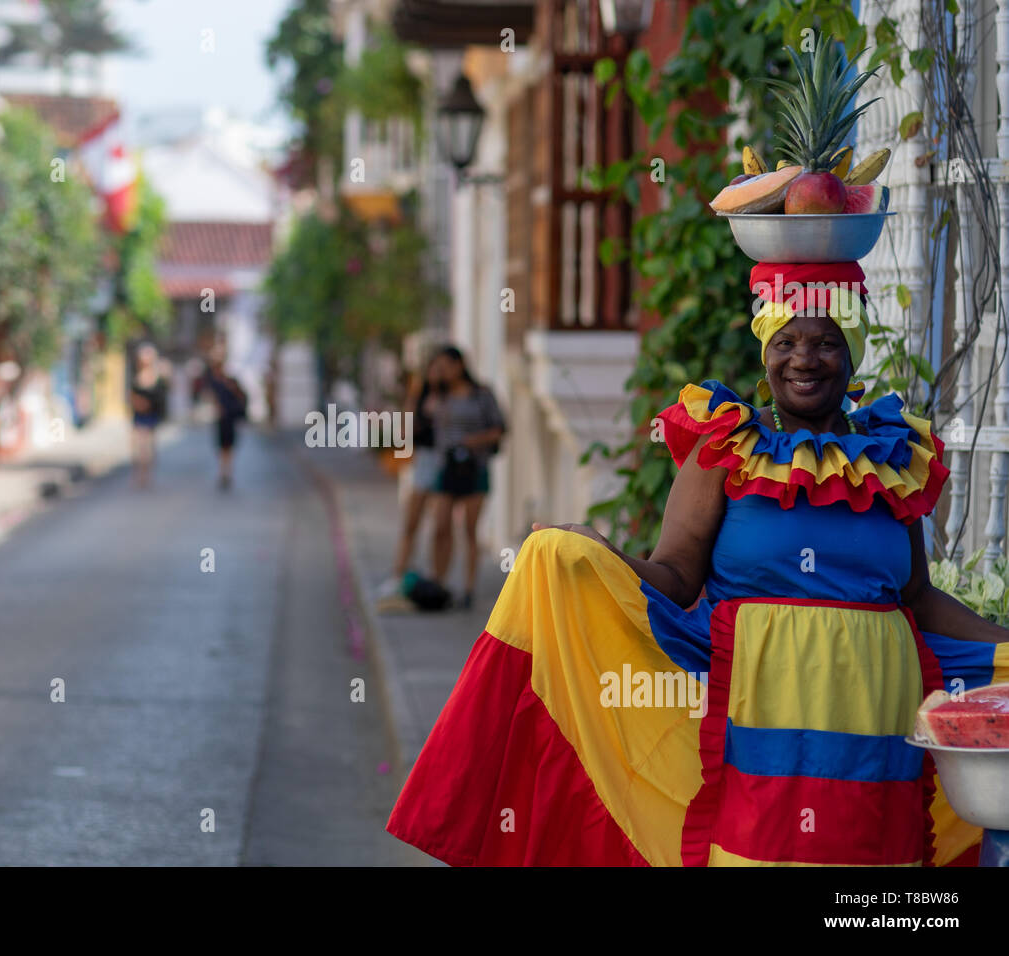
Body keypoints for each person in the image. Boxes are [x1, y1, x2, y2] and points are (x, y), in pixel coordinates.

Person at [386, 260, 1009, 867]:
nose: (805, 358)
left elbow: (918, 598)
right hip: (758, 719)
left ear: (851, 353)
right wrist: (599, 555)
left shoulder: (891, 459)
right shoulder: (728, 448)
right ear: (765, 352)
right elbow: (676, 575)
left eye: (826, 341)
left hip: (876, 729)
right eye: (786, 339)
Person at [425, 346, 507, 610]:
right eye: (438, 367)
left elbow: (499, 429)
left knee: (469, 530)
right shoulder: (437, 396)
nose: (443, 372)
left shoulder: (482, 395)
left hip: (474, 466)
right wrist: (431, 385)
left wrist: (473, 441)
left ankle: (468, 589)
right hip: (445, 467)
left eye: (446, 366)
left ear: (459, 365)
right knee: (440, 527)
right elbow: (420, 417)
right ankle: (438, 582)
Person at [377, 353, 447, 606]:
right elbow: (406, 429)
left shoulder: (454, 396)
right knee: (411, 522)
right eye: (433, 369)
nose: (437, 375)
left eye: (442, 370)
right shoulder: (421, 395)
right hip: (424, 461)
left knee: (441, 526)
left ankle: (438, 578)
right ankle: (399, 573)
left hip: (447, 461)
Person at [196, 346, 248, 491]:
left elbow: (241, 396)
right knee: (221, 448)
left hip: (229, 418)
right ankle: (223, 471)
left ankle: (226, 471)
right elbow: (206, 397)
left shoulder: (230, 381)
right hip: (220, 420)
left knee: (228, 447)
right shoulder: (212, 382)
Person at [129, 344, 168, 487]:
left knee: (148, 447)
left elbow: (162, 396)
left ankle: (147, 474)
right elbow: (132, 396)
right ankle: (138, 474)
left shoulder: (158, 377)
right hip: (138, 416)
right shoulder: (136, 376)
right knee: (137, 447)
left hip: (151, 416)